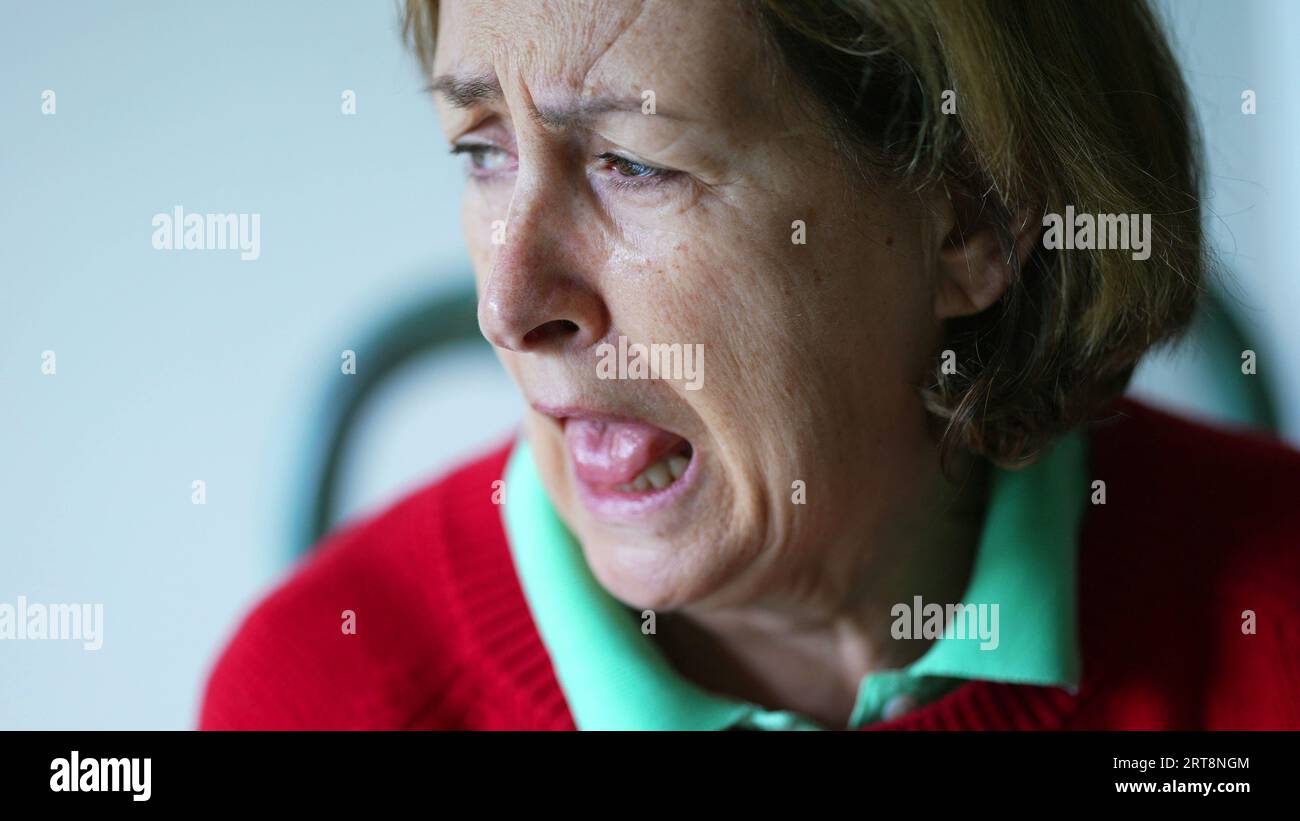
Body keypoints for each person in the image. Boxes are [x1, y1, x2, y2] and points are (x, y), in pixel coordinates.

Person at [200, 0, 1300, 730]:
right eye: (480, 148)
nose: (510, 304)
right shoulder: (317, 691)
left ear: (976, 215)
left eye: (633, 163)